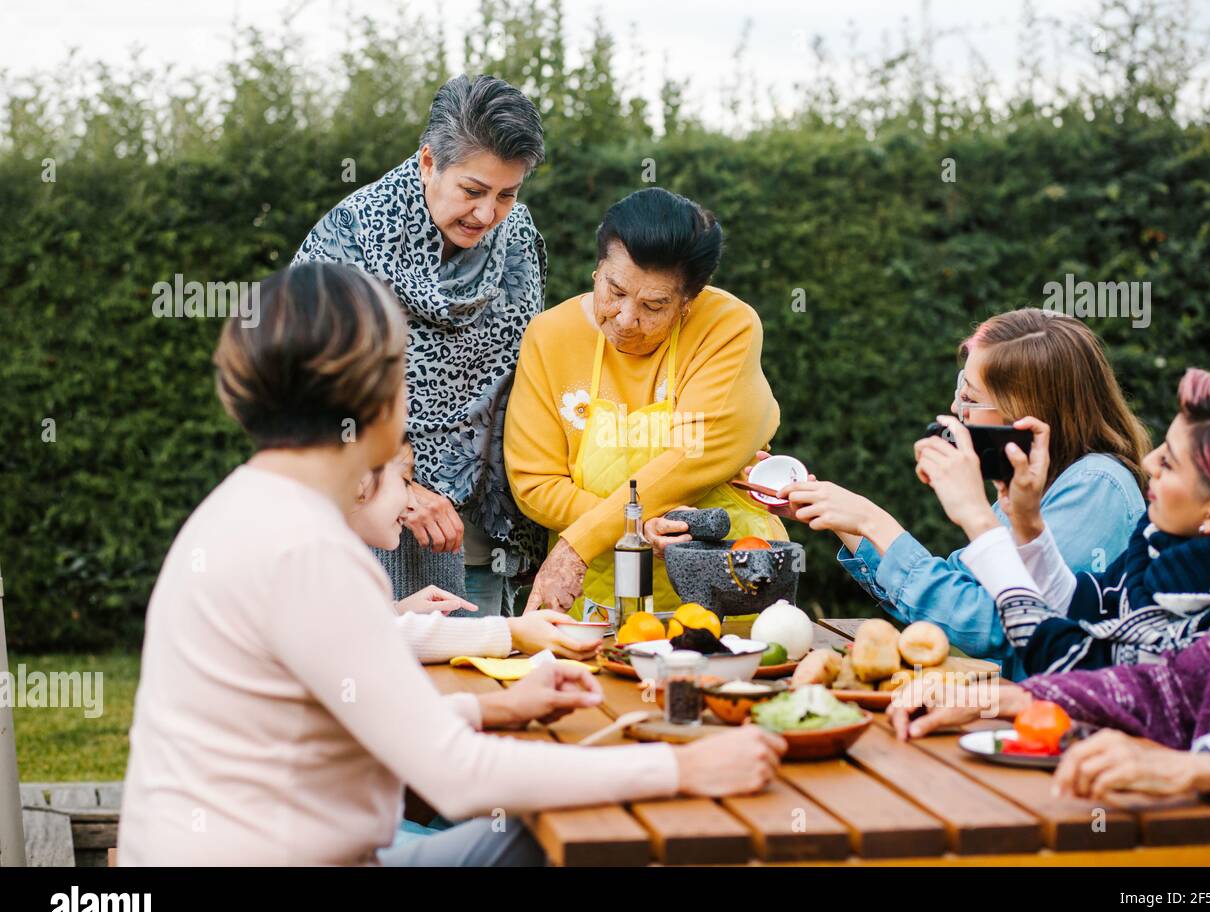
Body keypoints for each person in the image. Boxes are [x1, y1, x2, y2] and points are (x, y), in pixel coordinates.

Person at [117, 263, 785, 866]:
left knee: (536, 828)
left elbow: (358, 709)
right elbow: (457, 776)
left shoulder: (249, 510)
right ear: (369, 392)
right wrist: (683, 768)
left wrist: (498, 710)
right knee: (578, 836)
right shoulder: (307, 550)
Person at [887, 345, 1210, 805]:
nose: (1148, 463)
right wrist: (1022, 697)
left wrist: (1202, 768)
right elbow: (1179, 686)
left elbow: (1087, 656)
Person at [293, 74, 550, 617]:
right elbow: (304, 389)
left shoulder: (520, 236)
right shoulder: (352, 236)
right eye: (473, 191)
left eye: (507, 194)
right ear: (429, 161)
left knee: (484, 690)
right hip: (368, 530)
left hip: (483, 534)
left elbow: (528, 373)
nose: (487, 215)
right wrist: (402, 485)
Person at [773, 309, 1148, 676]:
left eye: (969, 397)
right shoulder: (1030, 486)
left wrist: (874, 522)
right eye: (960, 387)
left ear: (1024, 413)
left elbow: (992, 624)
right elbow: (948, 594)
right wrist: (845, 519)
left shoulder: (1096, 487)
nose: (955, 408)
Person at [504, 188, 785, 619]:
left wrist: (584, 540)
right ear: (598, 270)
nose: (625, 318)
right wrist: (637, 526)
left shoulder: (728, 327)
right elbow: (535, 482)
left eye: (654, 305)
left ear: (689, 302)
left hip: (732, 593)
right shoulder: (550, 336)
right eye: (614, 291)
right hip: (597, 597)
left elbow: (691, 455)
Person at [915, 368, 1210, 674]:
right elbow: (1080, 605)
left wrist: (978, 519)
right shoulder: (1157, 550)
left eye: (1169, 462)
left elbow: (1075, 660)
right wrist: (1026, 520)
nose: (1149, 463)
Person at [345, 448, 603, 661]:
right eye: (405, 482)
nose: (414, 502)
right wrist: (511, 633)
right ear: (358, 483)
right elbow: (374, 640)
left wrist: (398, 612)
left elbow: (358, 630)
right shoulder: (318, 556)